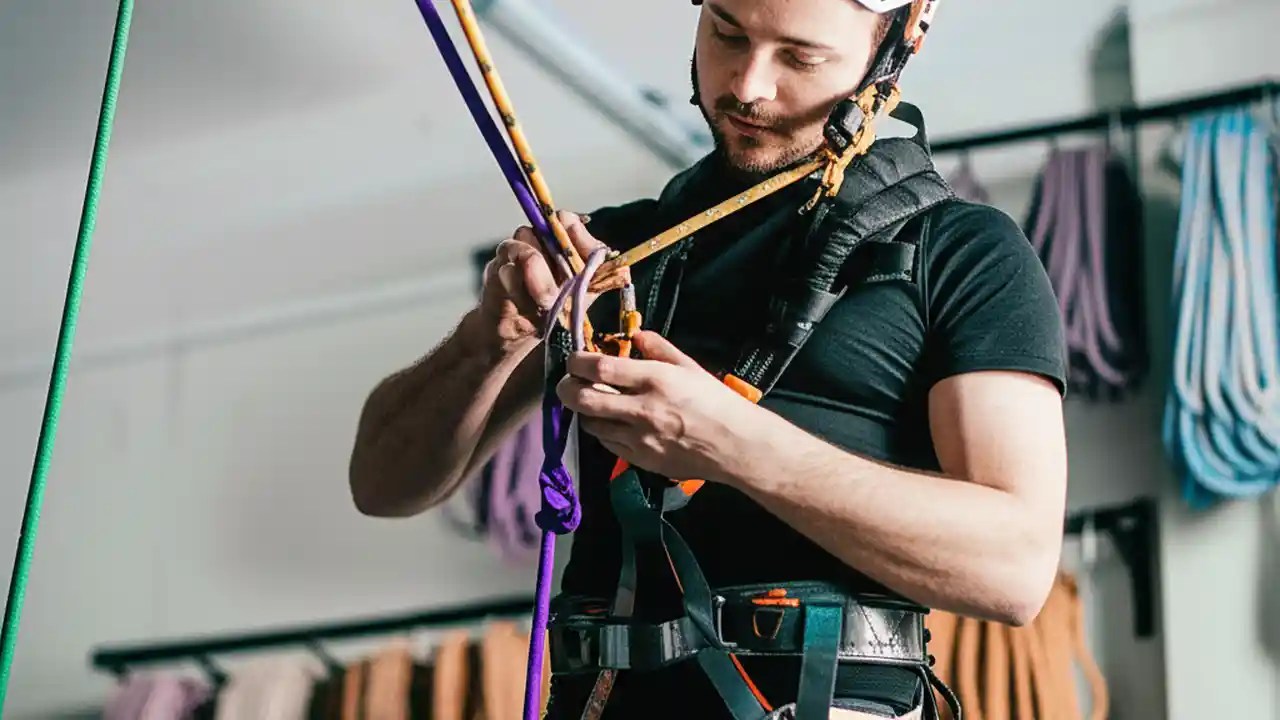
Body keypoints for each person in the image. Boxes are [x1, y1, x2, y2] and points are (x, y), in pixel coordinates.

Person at [347, 0, 1069, 717]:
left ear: (898, 42)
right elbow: (382, 484)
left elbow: (1013, 571)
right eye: (727, 33)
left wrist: (730, 443)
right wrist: (487, 339)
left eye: (800, 57)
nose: (749, 85)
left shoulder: (961, 256)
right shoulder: (611, 258)